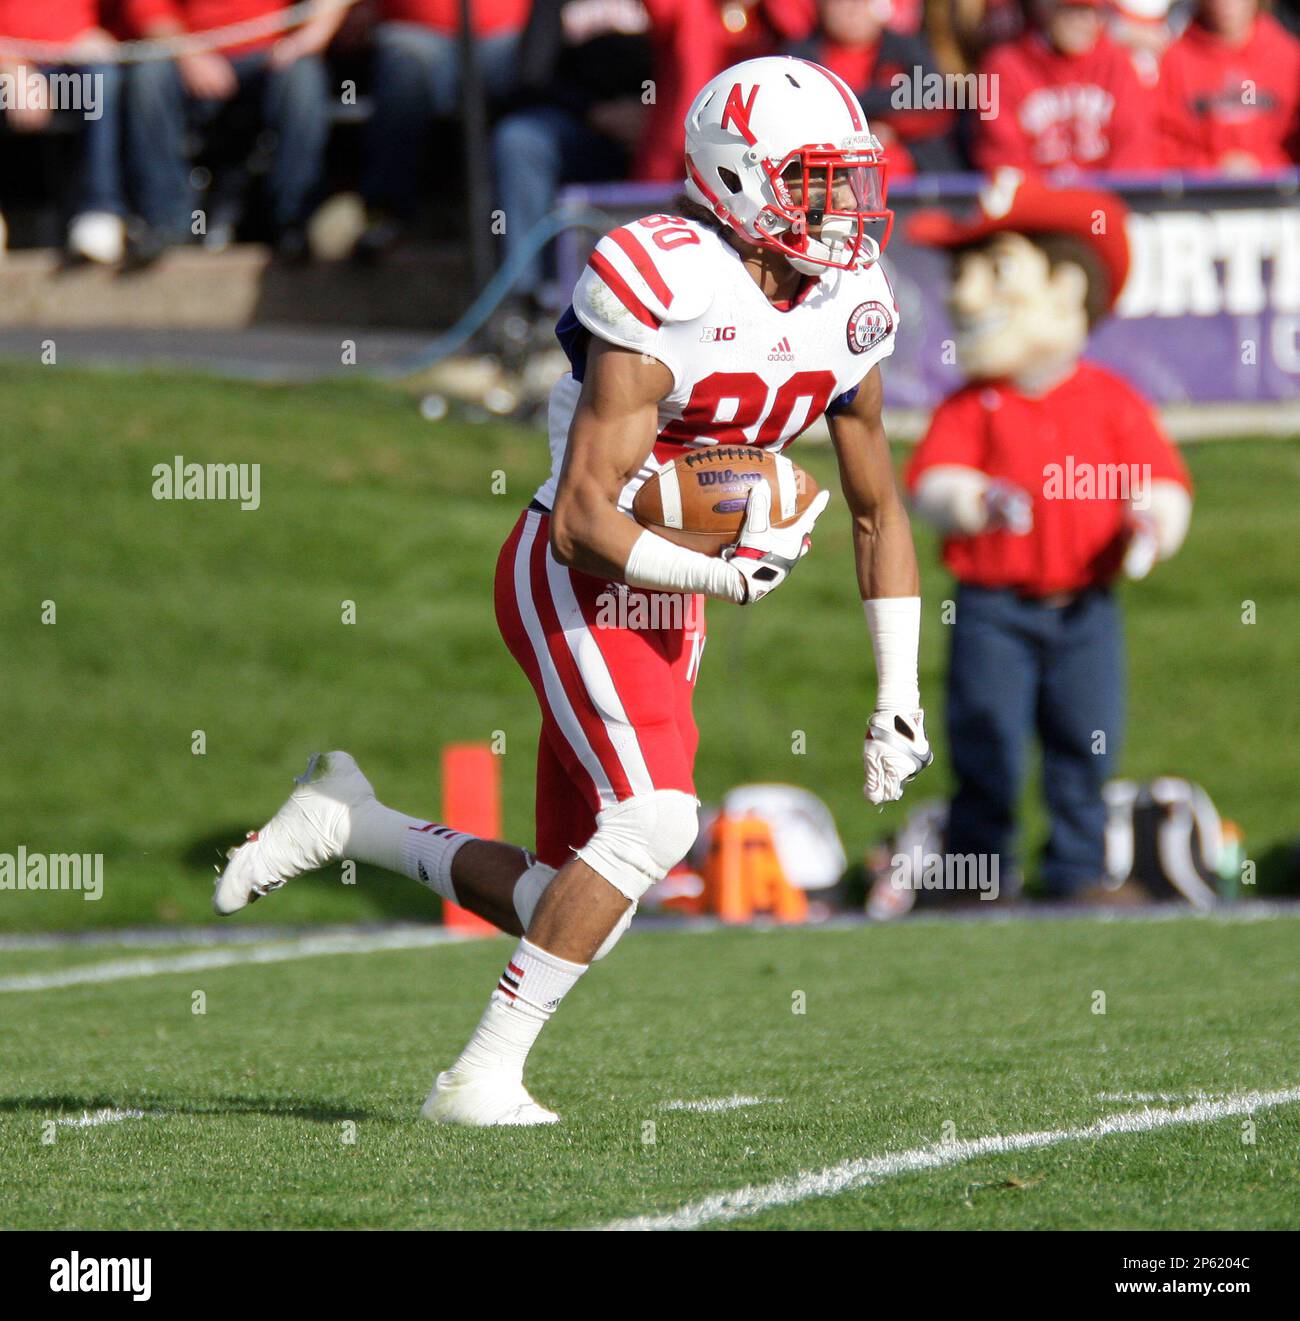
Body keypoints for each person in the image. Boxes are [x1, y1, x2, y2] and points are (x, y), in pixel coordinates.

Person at [214, 55, 932, 1125]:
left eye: (846, 179)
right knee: (654, 822)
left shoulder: (850, 301)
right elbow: (592, 516)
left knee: (580, 892)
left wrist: (895, 688)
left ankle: (350, 823)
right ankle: (478, 1077)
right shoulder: (662, 276)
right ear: (735, 177)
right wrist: (718, 571)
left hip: (668, 594)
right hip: (569, 569)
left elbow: (877, 507)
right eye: (813, 180)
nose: (840, 209)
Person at [905, 170, 1193, 901]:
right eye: (963, 273)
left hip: (1086, 607)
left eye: (994, 270)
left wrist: (1152, 524)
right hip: (992, 605)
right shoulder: (975, 405)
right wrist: (974, 501)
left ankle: (1077, 872)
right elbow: (932, 483)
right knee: (986, 738)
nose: (964, 295)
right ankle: (978, 872)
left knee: (1086, 739)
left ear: (1067, 287)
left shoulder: (1111, 399)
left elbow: (1163, 482)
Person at [123, 0, 347, 263]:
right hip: (186, 53)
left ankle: (292, 222)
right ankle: (165, 222)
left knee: (304, 78)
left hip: (272, 56)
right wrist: (190, 54)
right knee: (149, 77)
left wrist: (304, 41)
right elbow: (148, 8)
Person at [490, 0, 653, 316]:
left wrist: (660, 116)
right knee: (520, 140)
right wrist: (595, 113)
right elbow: (531, 76)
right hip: (584, 128)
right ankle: (526, 303)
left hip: (675, 123)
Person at [353, 0, 531, 259]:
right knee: (405, 65)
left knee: (533, 68)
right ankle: (386, 216)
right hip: (416, 34)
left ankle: (516, 233)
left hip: (509, 37)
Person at [0, 0, 128, 263]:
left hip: (72, 65)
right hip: (8, 67)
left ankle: (98, 211)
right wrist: (10, 65)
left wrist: (106, 33)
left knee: (101, 76)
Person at [974, 0, 1157, 174]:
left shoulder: (1116, 64)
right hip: (1034, 202)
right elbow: (1004, 160)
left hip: (1106, 201)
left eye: (1088, 11)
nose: (1080, 22)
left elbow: (1133, 151)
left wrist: (1103, 204)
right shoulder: (1003, 67)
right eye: (1070, 10)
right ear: (1045, 7)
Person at [787, 0, 964, 175]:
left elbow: (936, 105)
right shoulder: (799, 57)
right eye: (840, 2)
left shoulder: (906, 49)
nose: (852, 10)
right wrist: (857, 133)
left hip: (912, 181)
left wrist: (892, 128)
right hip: (826, 171)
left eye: (862, 2)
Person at [1157, 0, 1300, 172]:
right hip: (1199, 194)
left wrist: (1263, 166)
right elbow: (1164, 144)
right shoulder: (1173, 61)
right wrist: (1211, 168)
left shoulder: (1290, 57)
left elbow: (1291, 143)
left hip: (1280, 193)